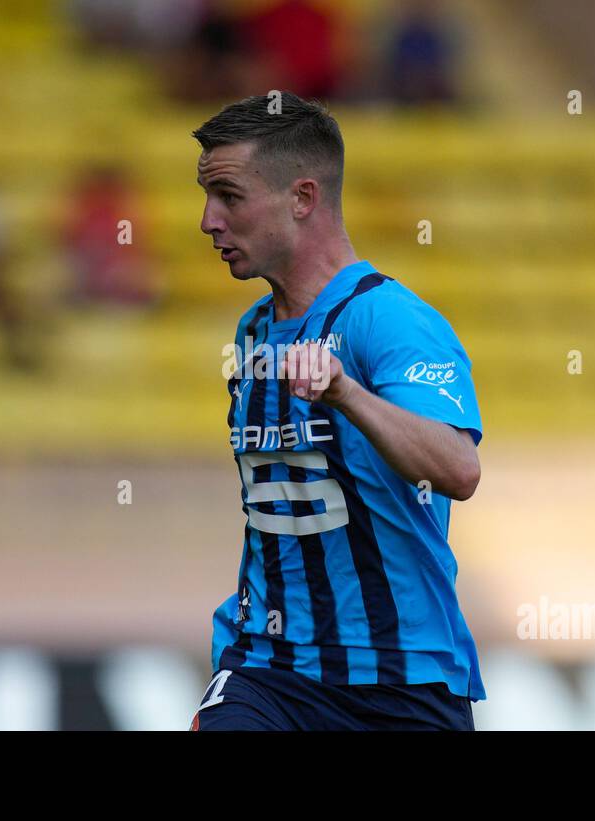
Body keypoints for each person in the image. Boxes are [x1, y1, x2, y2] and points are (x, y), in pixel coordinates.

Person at [188, 93, 484, 730]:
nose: (208, 221)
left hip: (400, 679)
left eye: (229, 197)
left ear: (302, 197)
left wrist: (348, 393)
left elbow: (458, 469)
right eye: (206, 196)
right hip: (268, 670)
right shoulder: (252, 334)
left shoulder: (391, 321)